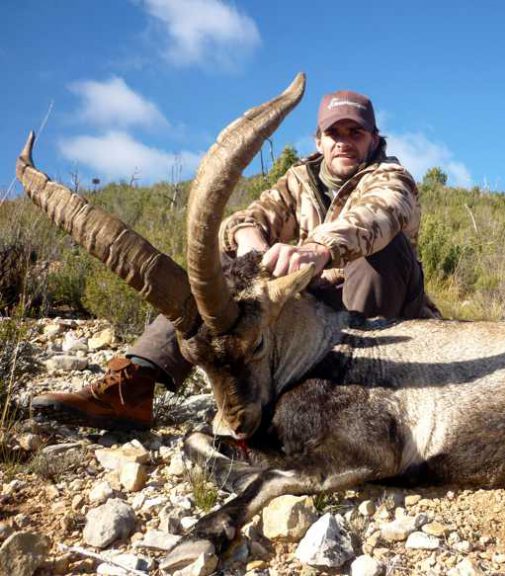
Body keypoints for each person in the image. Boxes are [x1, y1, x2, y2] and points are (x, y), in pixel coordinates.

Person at [31, 89, 438, 431]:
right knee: (220, 273)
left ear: (373, 138)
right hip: (311, 309)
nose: (344, 141)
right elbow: (243, 219)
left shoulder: (391, 177)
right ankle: (133, 387)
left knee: (383, 254)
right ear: (319, 140)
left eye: (356, 132)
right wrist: (249, 242)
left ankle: (351, 401)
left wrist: (318, 249)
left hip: (382, 311)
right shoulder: (298, 181)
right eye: (334, 133)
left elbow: (379, 216)